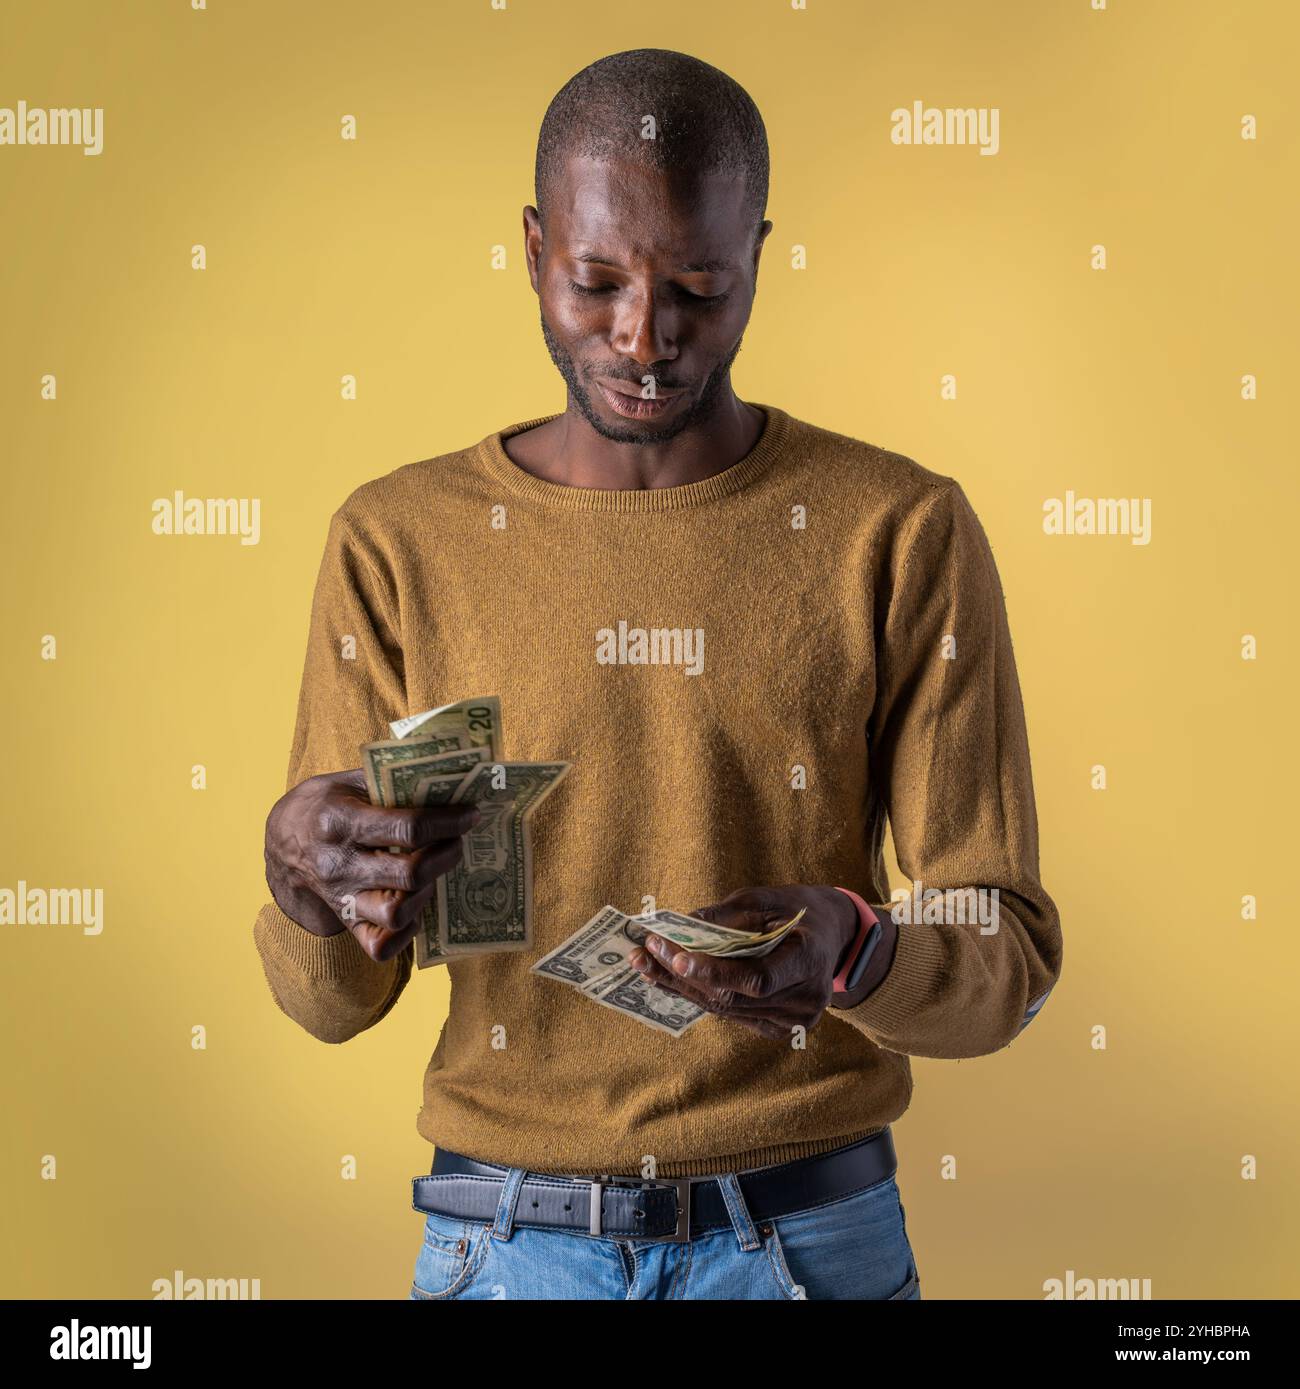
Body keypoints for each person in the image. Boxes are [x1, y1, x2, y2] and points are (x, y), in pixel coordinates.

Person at [253, 47, 1062, 1301]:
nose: (644, 336)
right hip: (502, 1245)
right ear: (531, 252)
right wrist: (307, 894)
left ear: (758, 250)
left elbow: (999, 957)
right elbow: (332, 1002)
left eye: (698, 284)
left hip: (806, 1239)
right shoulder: (396, 541)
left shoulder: (896, 529)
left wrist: (854, 954)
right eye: (594, 282)